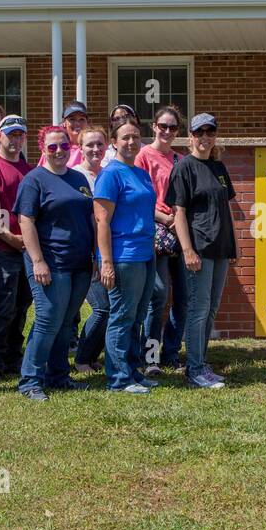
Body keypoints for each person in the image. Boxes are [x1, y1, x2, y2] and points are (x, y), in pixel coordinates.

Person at [14, 125, 95, 402]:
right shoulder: (34, 180)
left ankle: (58, 376)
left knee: (63, 324)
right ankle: (30, 380)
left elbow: (89, 219)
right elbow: (26, 221)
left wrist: (94, 257)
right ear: (42, 149)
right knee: (48, 320)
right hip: (51, 262)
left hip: (80, 264)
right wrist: (38, 261)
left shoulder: (79, 178)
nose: (59, 151)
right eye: (52, 147)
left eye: (63, 145)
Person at [167, 113, 238, 390]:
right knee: (198, 309)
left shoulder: (219, 168)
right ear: (191, 137)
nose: (205, 138)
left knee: (211, 308)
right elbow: (179, 212)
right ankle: (194, 369)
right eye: (200, 133)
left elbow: (228, 208)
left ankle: (202, 362)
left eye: (210, 132)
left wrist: (235, 245)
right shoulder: (184, 168)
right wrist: (187, 250)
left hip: (221, 248)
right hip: (199, 248)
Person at [93, 118, 158, 393]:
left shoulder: (141, 173)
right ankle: (118, 378)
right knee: (121, 316)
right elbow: (102, 221)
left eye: (135, 137)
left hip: (145, 253)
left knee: (137, 315)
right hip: (123, 256)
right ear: (114, 143)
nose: (131, 142)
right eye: (125, 138)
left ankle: (132, 370)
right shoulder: (111, 174)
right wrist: (106, 262)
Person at [0, 114, 35, 388]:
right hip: (3, 248)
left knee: (22, 306)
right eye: (10, 134)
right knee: (1, 308)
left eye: (19, 135)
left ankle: (14, 357)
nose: (15, 140)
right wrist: (10, 236)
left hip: (27, 250)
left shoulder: (30, 169)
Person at [137, 104, 187, 375]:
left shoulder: (180, 159)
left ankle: (170, 353)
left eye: (173, 127)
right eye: (163, 126)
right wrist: (166, 220)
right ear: (153, 127)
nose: (167, 131)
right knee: (158, 296)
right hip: (156, 231)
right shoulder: (144, 155)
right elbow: (139, 197)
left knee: (184, 298)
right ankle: (150, 356)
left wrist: (179, 223)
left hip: (180, 234)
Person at [73, 125, 111, 373]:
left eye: (99, 144)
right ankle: (82, 358)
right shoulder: (75, 176)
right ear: (80, 148)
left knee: (108, 307)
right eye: (89, 145)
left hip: (106, 251)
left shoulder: (109, 174)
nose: (95, 149)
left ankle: (92, 355)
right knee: (102, 306)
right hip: (84, 253)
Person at [36, 100, 89, 169]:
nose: (77, 123)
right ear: (64, 122)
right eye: (72, 119)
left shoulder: (93, 148)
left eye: (82, 119)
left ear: (87, 122)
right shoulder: (53, 149)